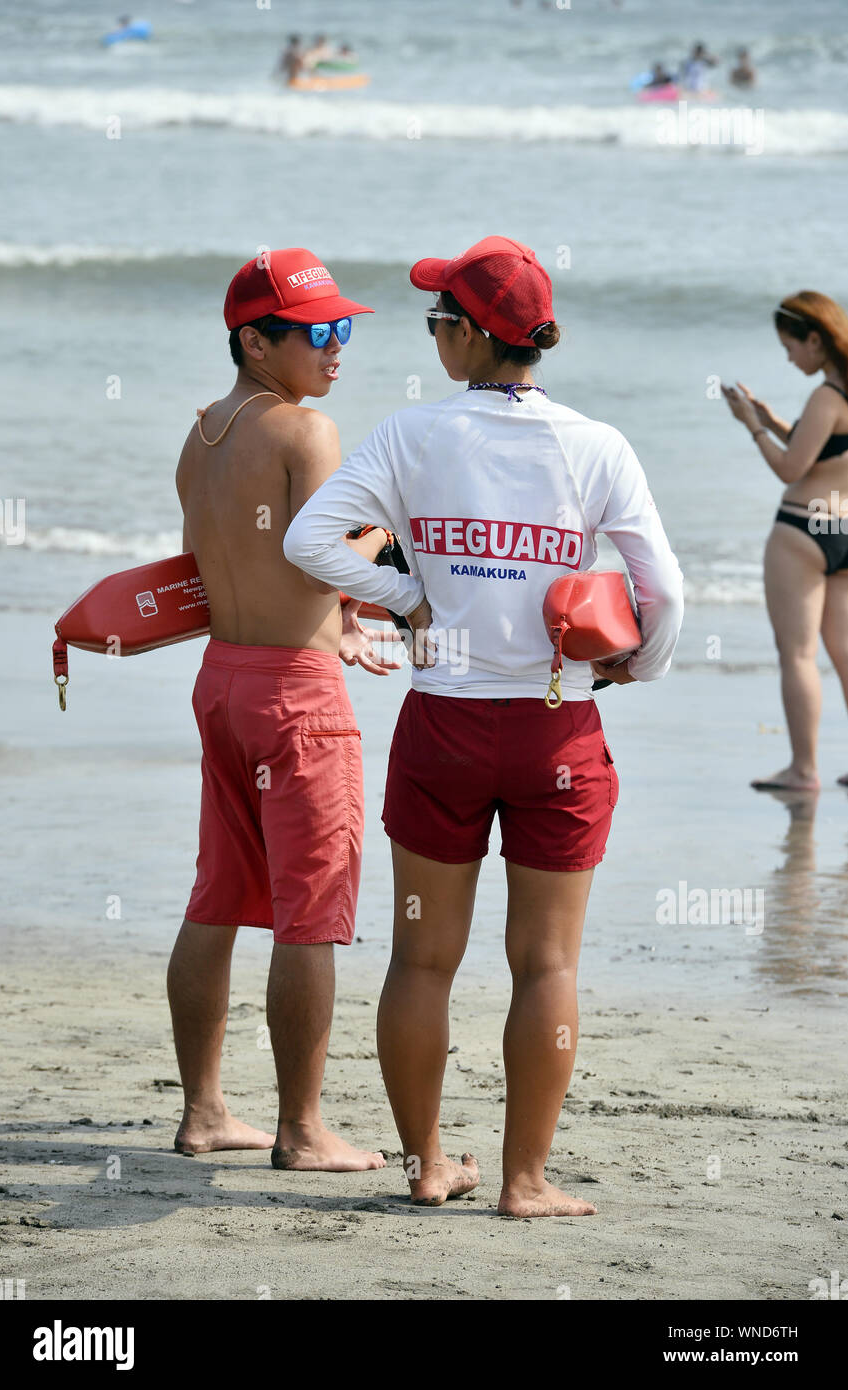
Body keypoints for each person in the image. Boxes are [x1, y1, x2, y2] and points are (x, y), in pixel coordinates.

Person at [284, 236, 684, 1217]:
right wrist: (635, 662)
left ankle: (426, 1163)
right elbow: (663, 589)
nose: (431, 338)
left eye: (435, 323)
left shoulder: (413, 435)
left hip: (442, 731)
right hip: (556, 728)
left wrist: (405, 599)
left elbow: (306, 540)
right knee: (545, 962)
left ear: (466, 335)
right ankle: (523, 1181)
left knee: (422, 955)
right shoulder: (596, 444)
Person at [168, 247, 400, 1170]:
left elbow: (225, 562)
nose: (338, 349)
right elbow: (324, 552)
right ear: (255, 340)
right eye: (319, 333)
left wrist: (334, 619)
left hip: (224, 678)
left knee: (217, 895)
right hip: (298, 698)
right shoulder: (308, 432)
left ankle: (204, 1112)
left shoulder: (204, 432)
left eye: (344, 330)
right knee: (311, 911)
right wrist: (387, 544)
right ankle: (302, 1130)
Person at [722, 292, 848, 792]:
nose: (788, 357)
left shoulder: (826, 396)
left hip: (801, 532)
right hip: (841, 530)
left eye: (790, 345)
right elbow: (824, 448)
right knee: (843, 653)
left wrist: (752, 427)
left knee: (796, 654)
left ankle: (803, 768)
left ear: (814, 339)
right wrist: (775, 420)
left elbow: (791, 468)